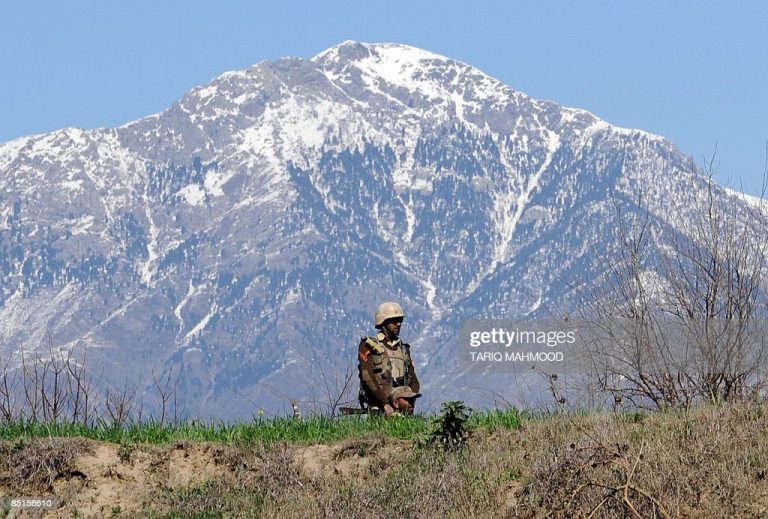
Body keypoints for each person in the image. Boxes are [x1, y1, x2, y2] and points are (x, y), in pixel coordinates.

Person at [358, 301, 421, 416]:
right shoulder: (368, 345)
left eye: (400, 320)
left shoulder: (403, 349)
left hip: (401, 407)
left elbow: (414, 380)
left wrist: (409, 399)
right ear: (383, 322)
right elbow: (367, 377)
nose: (398, 324)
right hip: (379, 406)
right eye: (394, 321)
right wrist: (385, 402)